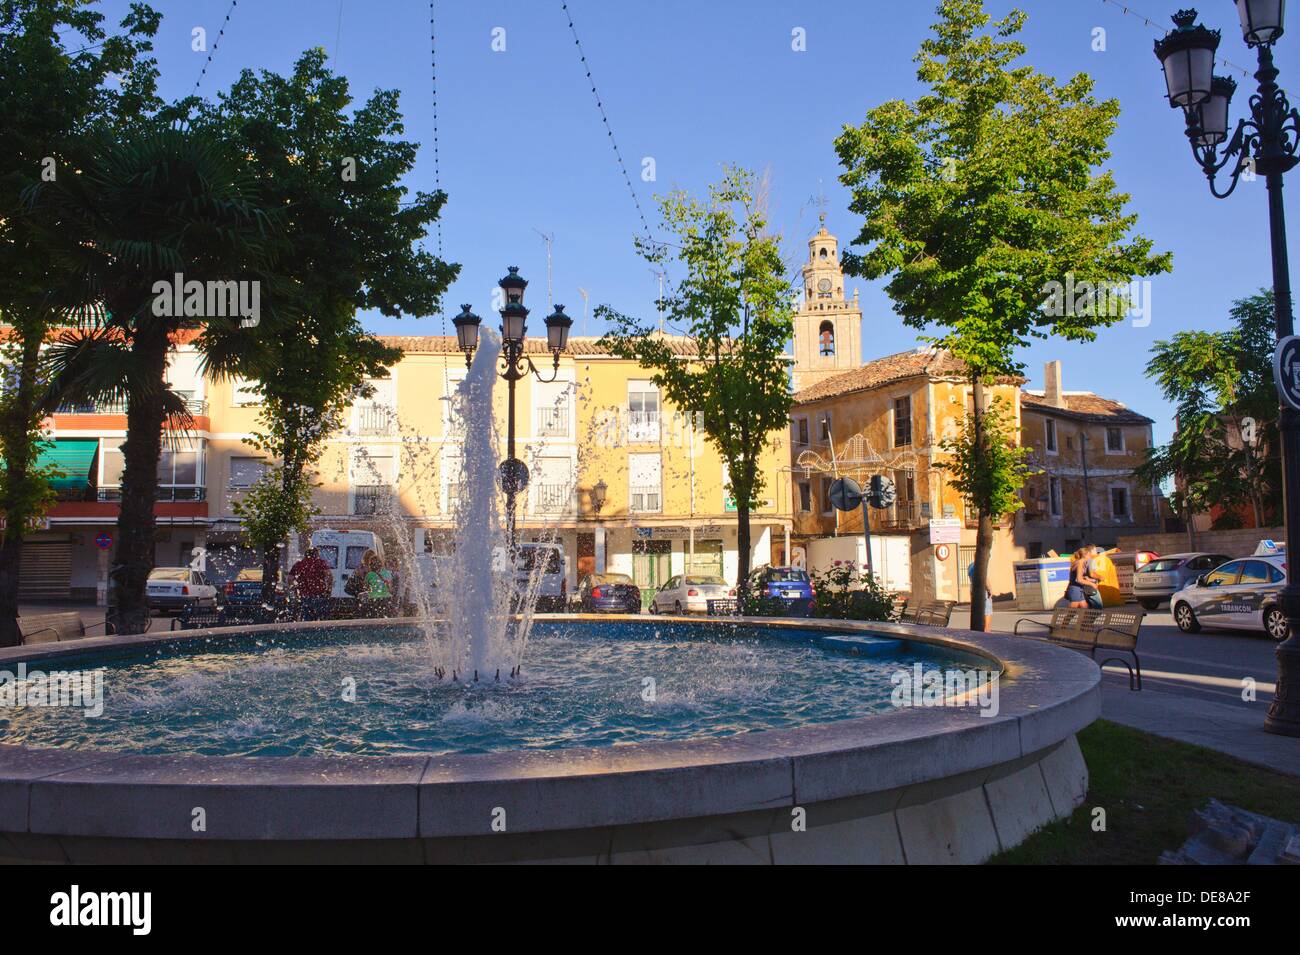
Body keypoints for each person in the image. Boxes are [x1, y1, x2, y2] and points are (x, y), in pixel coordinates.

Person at [288, 547, 332, 620]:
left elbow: (290, 579)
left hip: (304, 596)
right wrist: (329, 589)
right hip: (319, 595)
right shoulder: (320, 562)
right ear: (316, 554)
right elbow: (329, 576)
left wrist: (295, 589)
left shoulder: (299, 564)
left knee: (307, 618)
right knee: (322, 619)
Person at [362, 553, 395, 618]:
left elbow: (366, 588)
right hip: (386, 599)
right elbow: (390, 588)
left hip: (374, 599)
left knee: (374, 618)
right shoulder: (387, 573)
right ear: (380, 564)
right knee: (386, 619)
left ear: (370, 565)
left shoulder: (369, 575)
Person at [966, 560, 994, 632]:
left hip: (974, 592)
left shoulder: (970, 566)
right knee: (986, 625)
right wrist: (990, 590)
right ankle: (986, 639)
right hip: (983, 593)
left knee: (978, 623)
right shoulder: (980, 565)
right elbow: (985, 579)